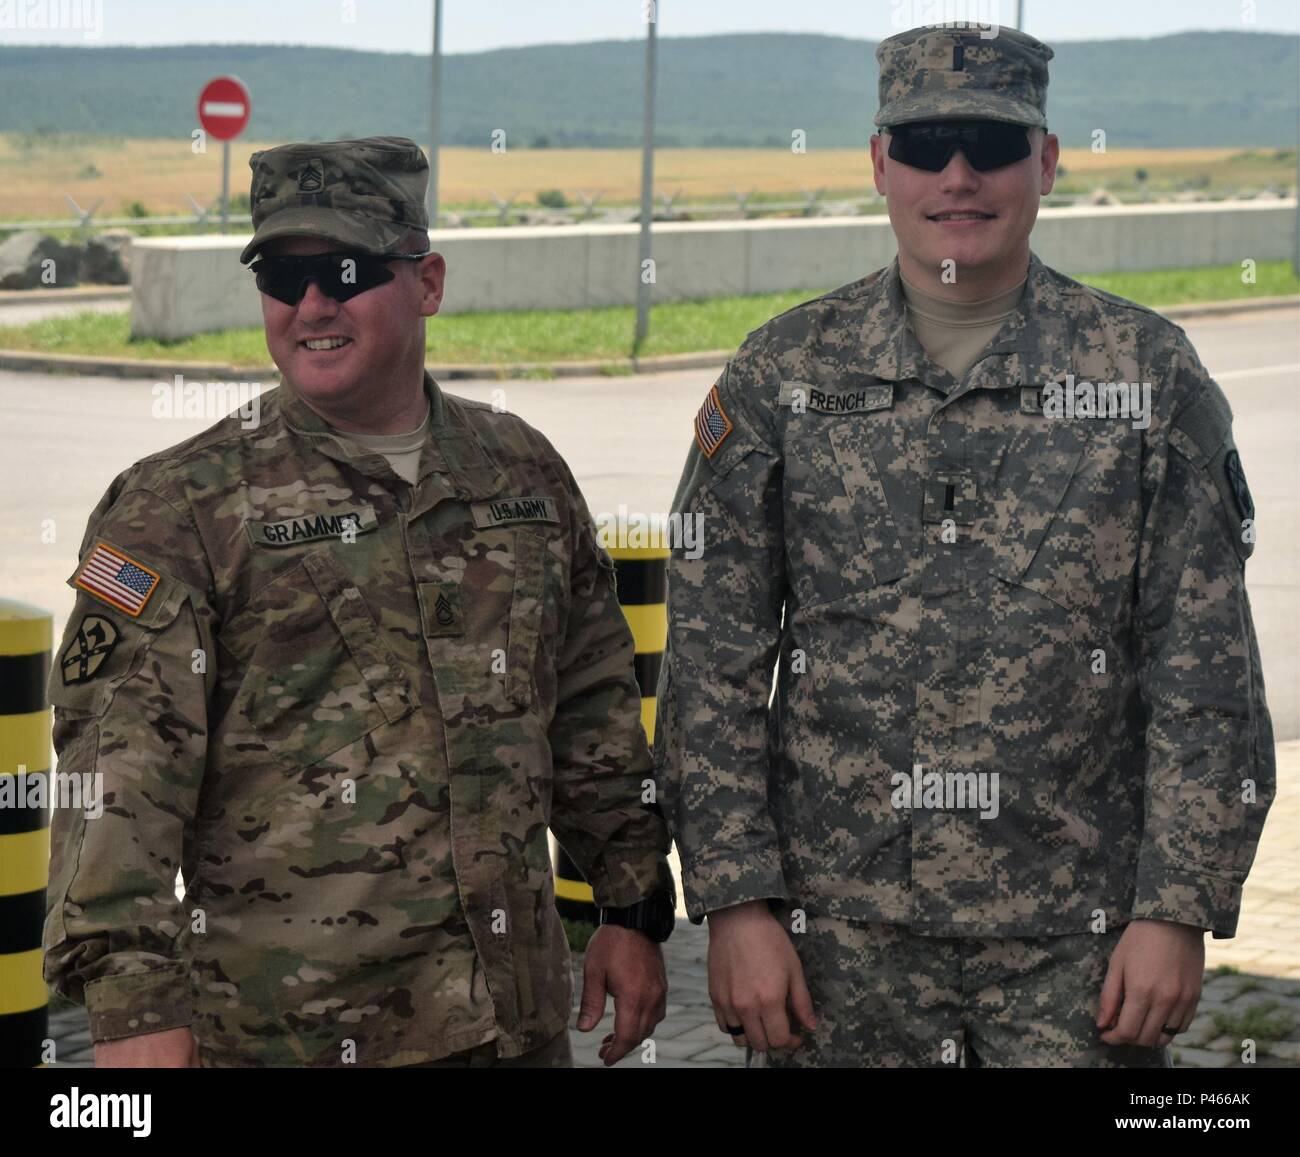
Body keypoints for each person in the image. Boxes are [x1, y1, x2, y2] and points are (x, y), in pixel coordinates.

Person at [654, 25, 1275, 1068]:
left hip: (1079, 953)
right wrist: (734, 903)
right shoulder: (783, 375)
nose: (955, 175)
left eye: (988, 144)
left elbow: (1205, 668)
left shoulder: (1146, 375)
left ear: (1043, 161)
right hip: (832, 950)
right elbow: (710, 662)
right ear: (877, 163)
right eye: (924, 141)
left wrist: (1177, 906)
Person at [44, 135, 675, 1069]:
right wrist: (134, 1015)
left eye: (344, 271)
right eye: (282, 276)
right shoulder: (181, 506)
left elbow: (590, 713)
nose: (311, 306)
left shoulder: (520, 472)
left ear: (427, 282)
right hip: (282, 1039)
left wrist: (629, 908)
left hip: (513, 1028)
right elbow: (115, 787)